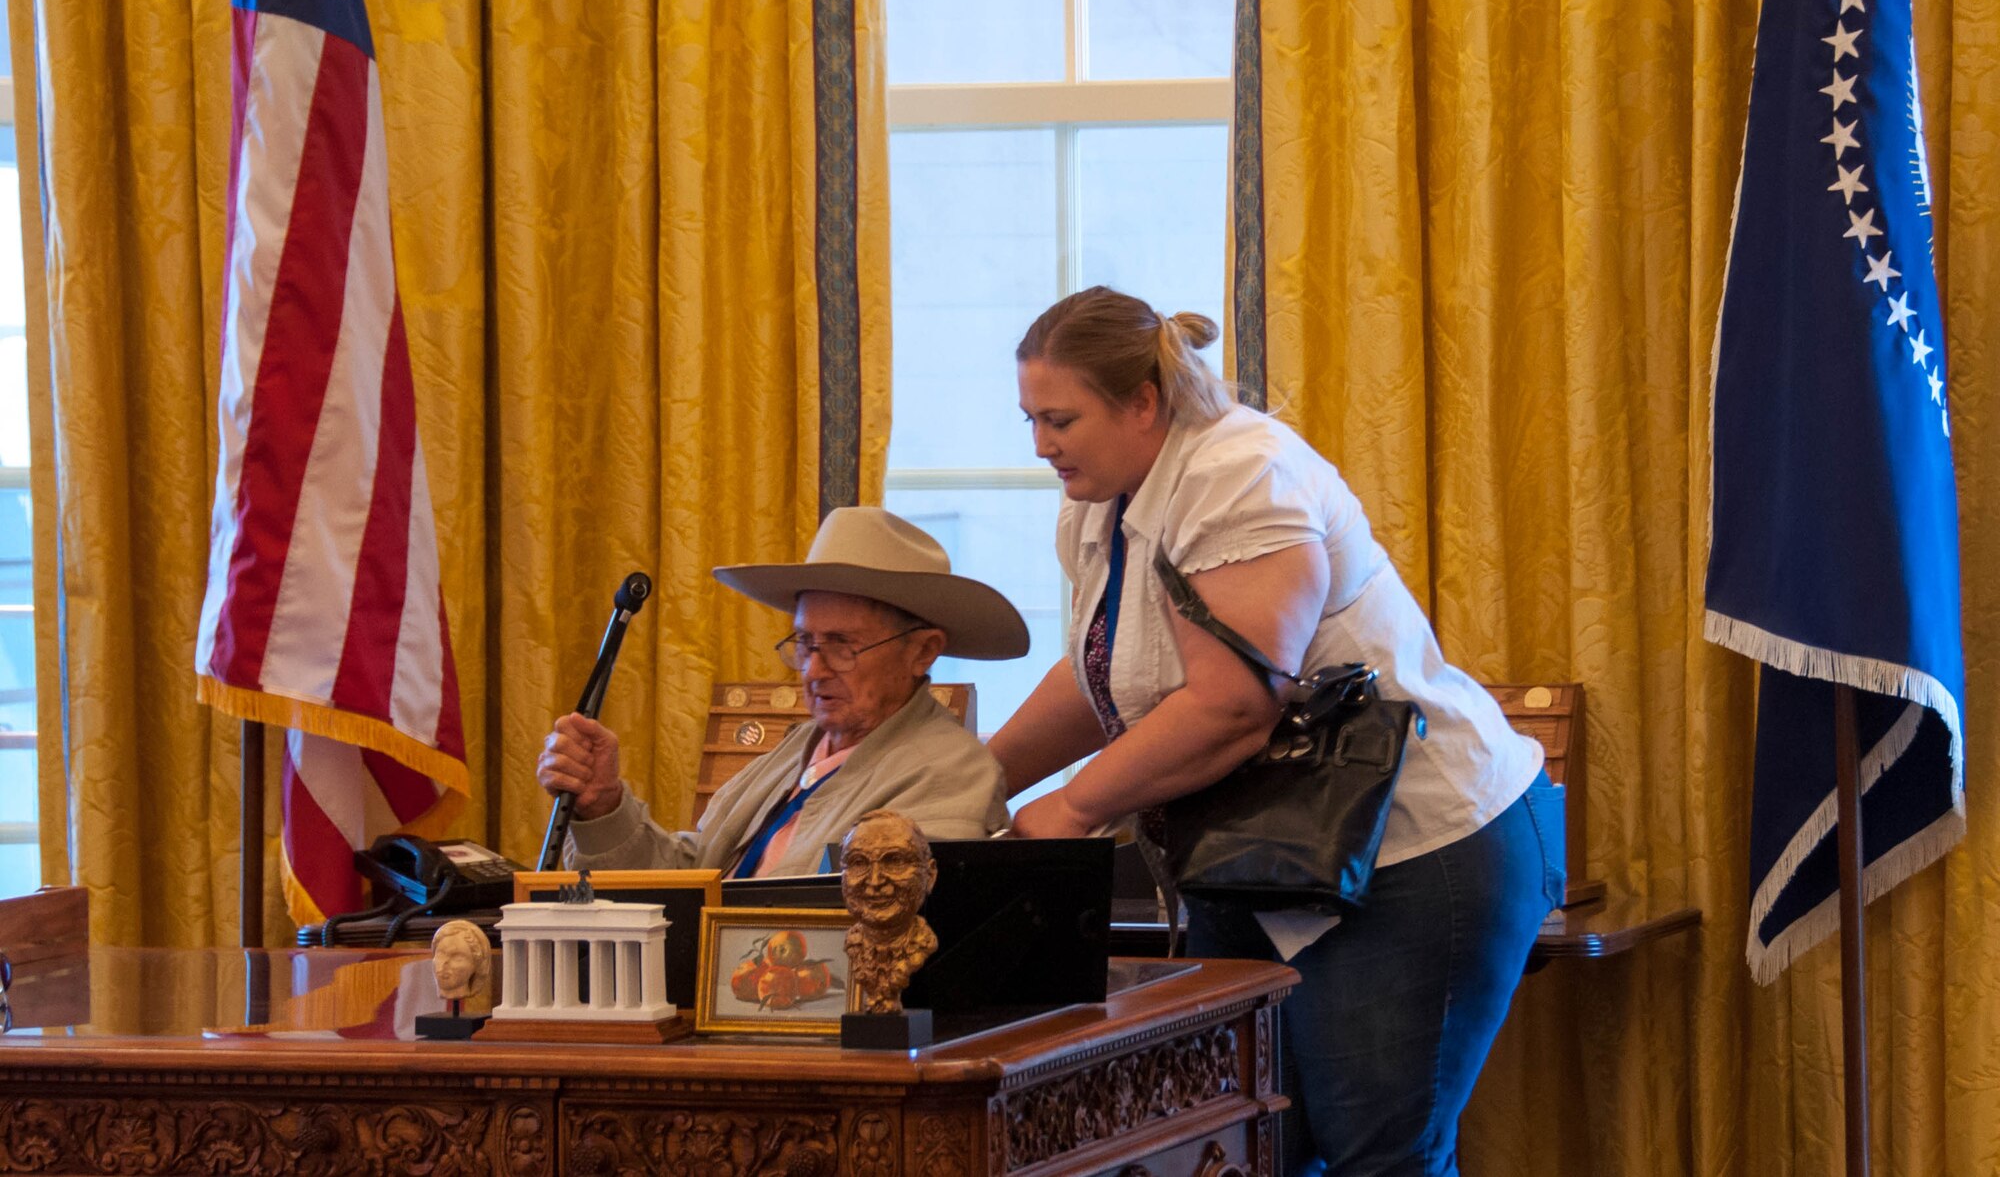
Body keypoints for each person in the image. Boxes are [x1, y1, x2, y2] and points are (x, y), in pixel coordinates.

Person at [989, 286, 1564, 1177]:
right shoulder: (1100, 500)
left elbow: (1234, 705)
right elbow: (1104, 672)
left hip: (1412, 850)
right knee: (1236, 1147)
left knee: (1378, 1160)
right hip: (1259, 853)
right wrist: (977, 779)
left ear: (1141, 402)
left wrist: (1071, 808)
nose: (1040, 445)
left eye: (1059, 420)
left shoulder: (1240, 472)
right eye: (1030, 420)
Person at [536, 507, 1028, 878]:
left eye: (842, 645)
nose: (814, 669)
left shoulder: (951, 773)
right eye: (805, 642)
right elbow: (696, 877)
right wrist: (603, 805)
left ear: (923, 652)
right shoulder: (801, 748)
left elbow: (879, 928)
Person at [840, 809, 940, 1015]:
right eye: (858, 862)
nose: (875, 880)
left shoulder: (923, 943)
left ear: (929, 875)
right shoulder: (853, 943)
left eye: (895, 861)